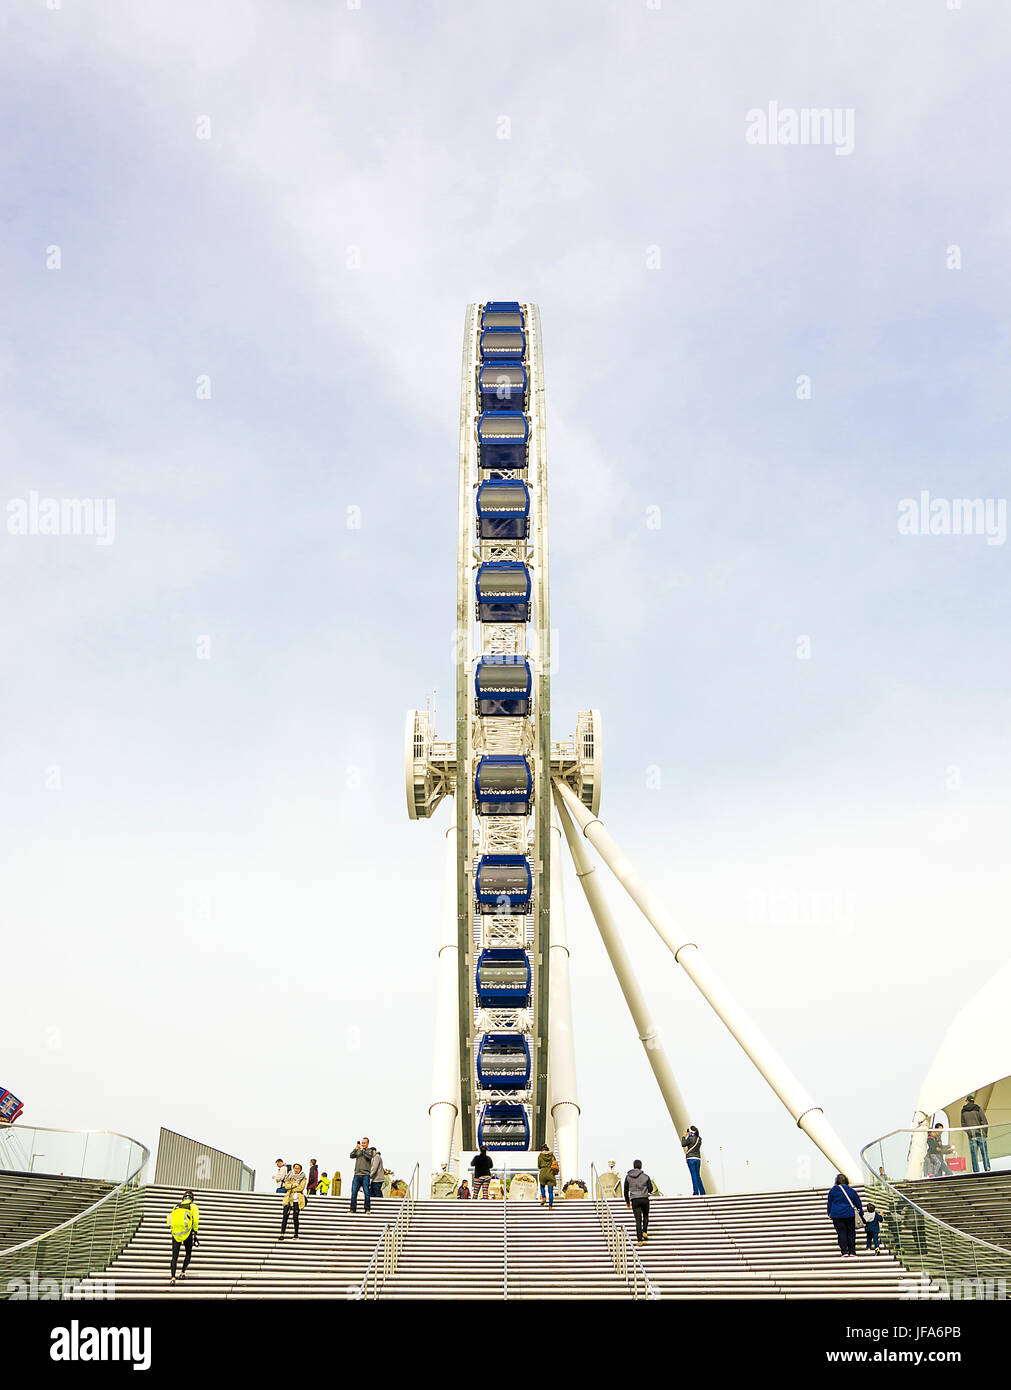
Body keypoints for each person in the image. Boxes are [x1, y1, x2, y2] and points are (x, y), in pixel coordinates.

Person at [826, 1172, 864, 1257]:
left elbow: (829, 1203)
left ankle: (844, 1252)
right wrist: (861, 1214)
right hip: (849, 1214)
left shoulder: (833, 1191)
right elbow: (858, 1203)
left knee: (841, 1233)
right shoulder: (851, 1190)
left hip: (837, 1215)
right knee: (851, 1232)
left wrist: (829, 1214)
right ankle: (852, 1252)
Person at [167, 1190, 200, 1283]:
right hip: (187, 1233)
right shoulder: (193, 1206)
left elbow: (171, 1219)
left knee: (174, 1256)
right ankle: (182, 1272)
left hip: (176, 1233)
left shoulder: (176, 1206)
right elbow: (196, 1220)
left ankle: (173, 1277)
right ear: (192, 1198)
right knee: (188, 1253)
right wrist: (195, 1231)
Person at [624, 1160, 652, 1246]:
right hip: (644, 1198)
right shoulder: (646, 1176)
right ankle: (644, 1231)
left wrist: (627, 1201)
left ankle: (640, 1240)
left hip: (634, 1200)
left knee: (638, 1220)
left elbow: (625, 1190)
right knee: (646, 1215)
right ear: (641, 1166)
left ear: (633, 1166)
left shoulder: (628, 1177)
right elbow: (650, 1189)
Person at [961, 1094, 991, 1174]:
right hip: (981, 1134)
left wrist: (969, 1133)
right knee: (984, 1153)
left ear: (967, 1101)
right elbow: (984, 1121)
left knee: (974, 1154)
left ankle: (976, 1171)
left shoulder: (963, 1111)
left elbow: (963, 1125)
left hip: (972, 1136)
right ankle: (987, 1169)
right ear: (973, 1101)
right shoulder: (978, 1109)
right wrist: (984, 1133)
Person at [280, 1163, 307, 1239]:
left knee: (295, 1217)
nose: (296, 1170)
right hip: (288, 1198)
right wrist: (295, 1184)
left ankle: (296, 1234)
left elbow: (301, 1188)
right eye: (295, 1168)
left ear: (300, 1169)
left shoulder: (303, 1177)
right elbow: (286, 1186)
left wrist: (291, 1187)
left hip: (297, 1200)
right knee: (285, 1216)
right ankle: (282, 1234)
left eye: (298, 1168)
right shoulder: (289, 1176)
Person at [349, 1138, 376, 1213]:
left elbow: (370, 1157)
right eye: (362, 1142)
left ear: (368, 1143)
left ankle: (367, 1209)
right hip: (357, 1174)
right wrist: (356, 1148)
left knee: (367, 1192)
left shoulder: (370, 1150)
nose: (363, 1144)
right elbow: (351, 1155)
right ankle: (352, 1209)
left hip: (365, 1175)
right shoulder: (358, 1150)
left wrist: (363, 1150)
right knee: (354, 1192)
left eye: (364, 1143)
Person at [682, 1126, 706, 1195]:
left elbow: (683, 1144)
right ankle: (702, 1192)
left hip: (691, 1158)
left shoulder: (690, 1138)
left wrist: (684, 1137)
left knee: (693, 1176)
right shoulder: (699, 1139)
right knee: (698, 1175)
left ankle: (695, 1192)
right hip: (698, 1158)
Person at [537, 1144, 558, 1208]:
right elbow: (555, 1164)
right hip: (550, 1173)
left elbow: (539, 1166)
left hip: (543, 1173)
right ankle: (550, 1206)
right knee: (550, 1191)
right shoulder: (552, 1156)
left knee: (542, 1186)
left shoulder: (540, 1156)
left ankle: (544, 1197)